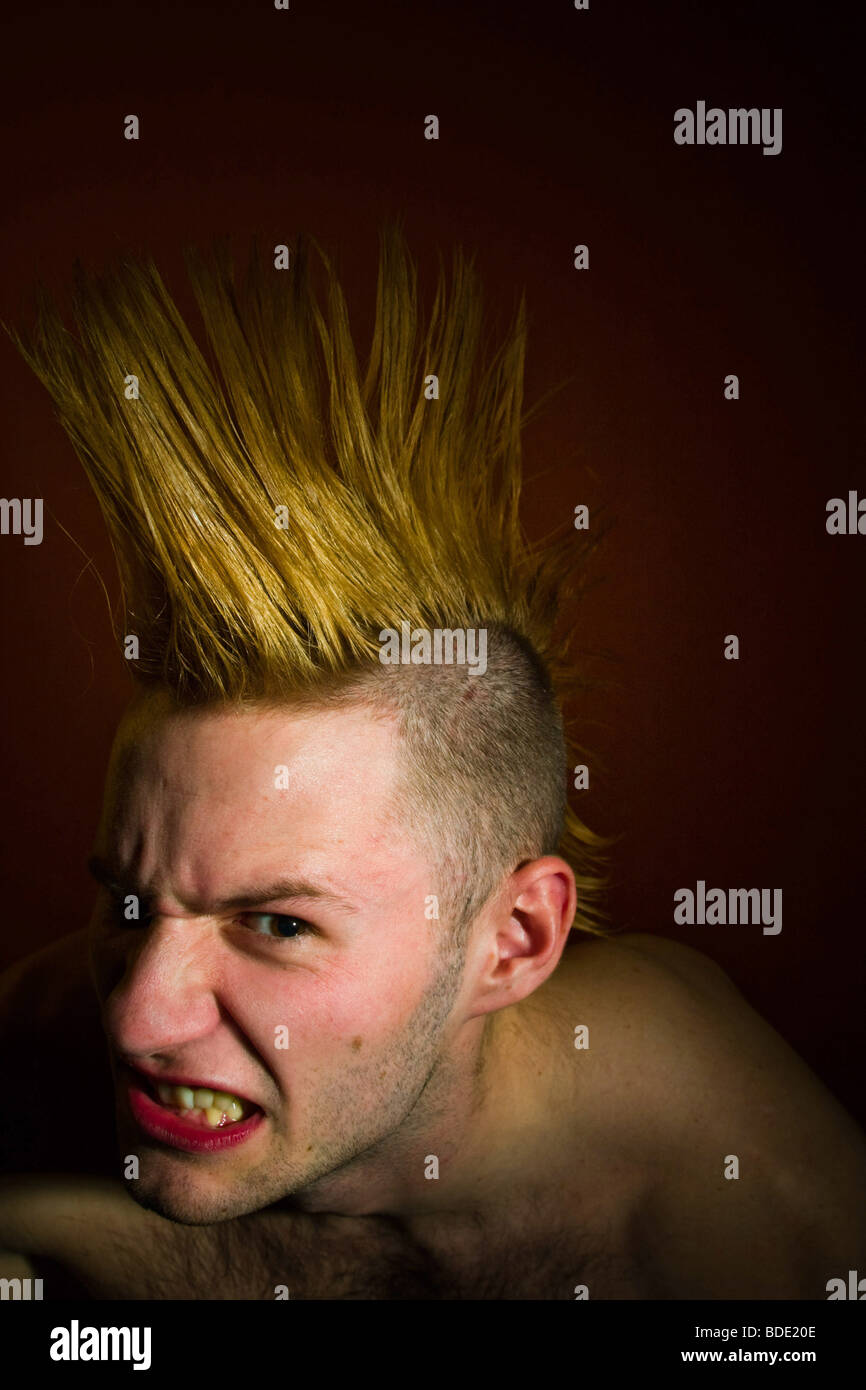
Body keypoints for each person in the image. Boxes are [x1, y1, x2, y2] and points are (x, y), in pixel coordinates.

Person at [1, 227, 863, 1300]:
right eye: (130, 906)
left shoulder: (743, 1217)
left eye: (276, 924)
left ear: (510, 941)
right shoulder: (36, 1060)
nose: (138, 1018)